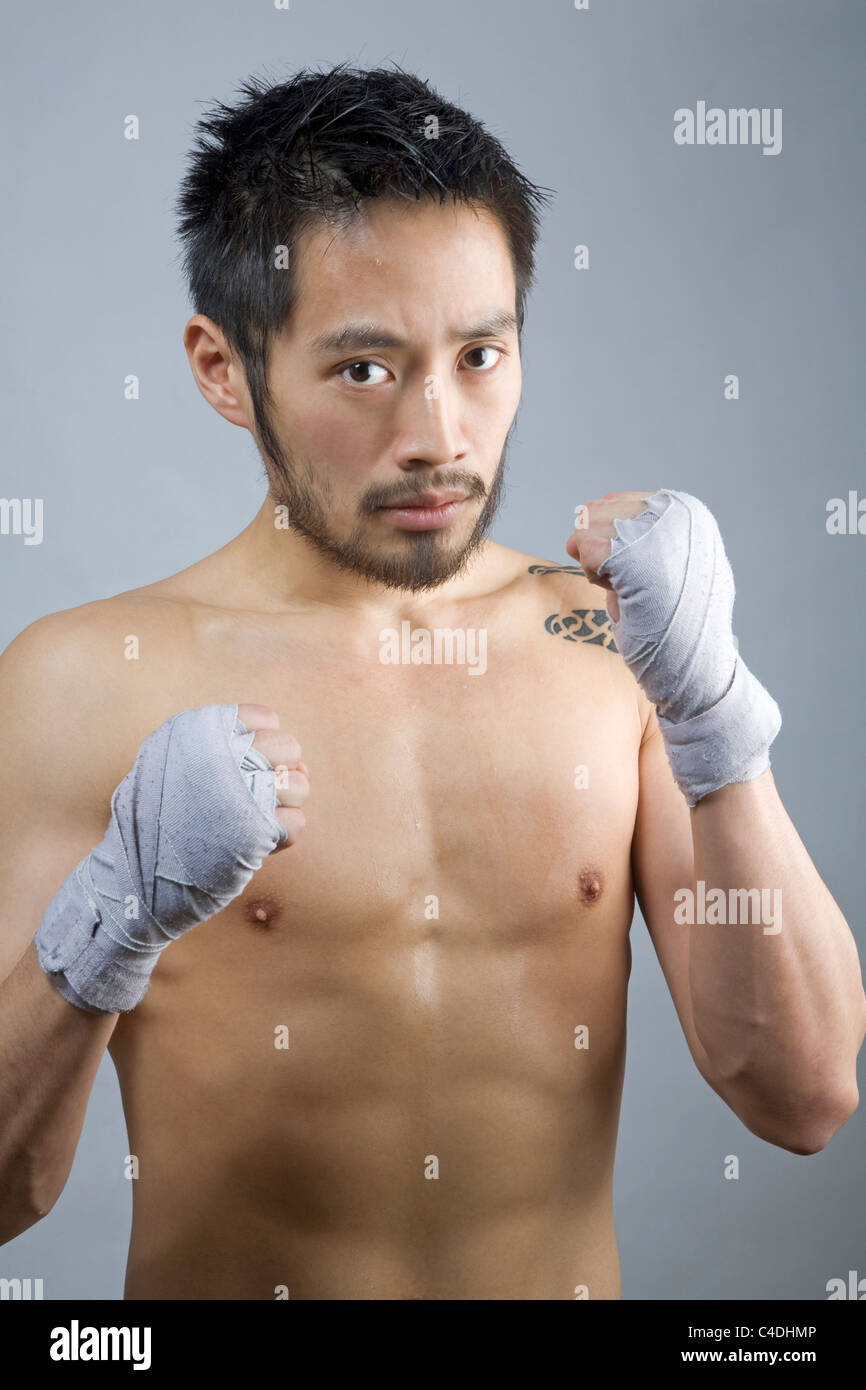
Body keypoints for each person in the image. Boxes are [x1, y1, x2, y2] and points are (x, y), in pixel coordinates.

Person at [1, 64, 863, 1301]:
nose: (439, 436)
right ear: (220, 367)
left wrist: (714, 716)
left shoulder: (615, 646)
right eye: (365, 369)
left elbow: (802, 1093)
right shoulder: (83, 681)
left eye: (478, 353)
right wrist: (109, 919)